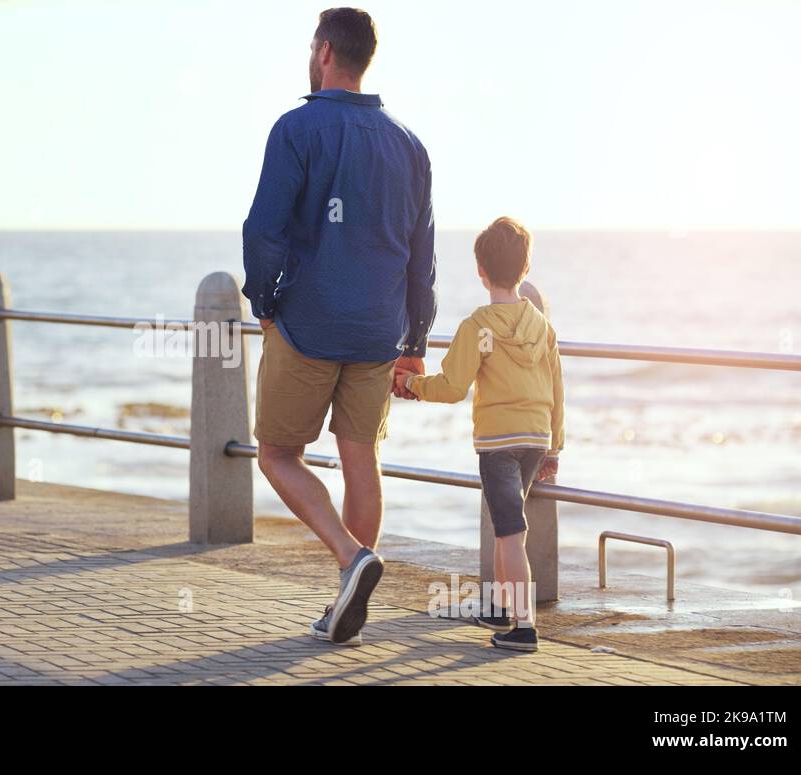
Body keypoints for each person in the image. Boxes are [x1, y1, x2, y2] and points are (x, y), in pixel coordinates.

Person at [242, 7, 437, 646]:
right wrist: (415, 342)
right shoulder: (409, 144)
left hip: (309, 322)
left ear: (325, 51)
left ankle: (352, 560)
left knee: (276, 453)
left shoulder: (296, 128)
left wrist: (263, 300)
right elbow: (421, 254)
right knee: (361, 458)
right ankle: (349, 602)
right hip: (380, 330)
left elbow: (263, 229)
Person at [397, 216, 565, 652]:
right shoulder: (542, 327)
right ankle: (496, 606)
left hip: (499, 443)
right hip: (535, 436)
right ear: (525, 269)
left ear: (481, 271)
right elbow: (557, 389)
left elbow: (452, 387)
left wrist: (412, 385)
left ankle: (524, 627)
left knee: (511, 531)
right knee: (503, 519)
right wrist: (555, 446)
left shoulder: (478, 325)